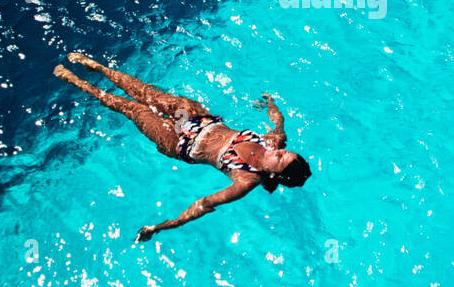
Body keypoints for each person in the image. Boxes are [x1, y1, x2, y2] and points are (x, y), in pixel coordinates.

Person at [52, 52, 312, 241]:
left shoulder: (245, 181)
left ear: (275, 174)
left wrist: (160, 227)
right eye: (285, 151)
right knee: (147, 94)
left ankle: (78, 83)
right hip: (198, 119)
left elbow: (202, 205)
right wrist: (270, 103)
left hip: (178, 142)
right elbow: (279, 122)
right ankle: (98, 67)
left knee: (132, 110)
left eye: (281, 158)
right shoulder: (272, 143)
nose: (279, 151)